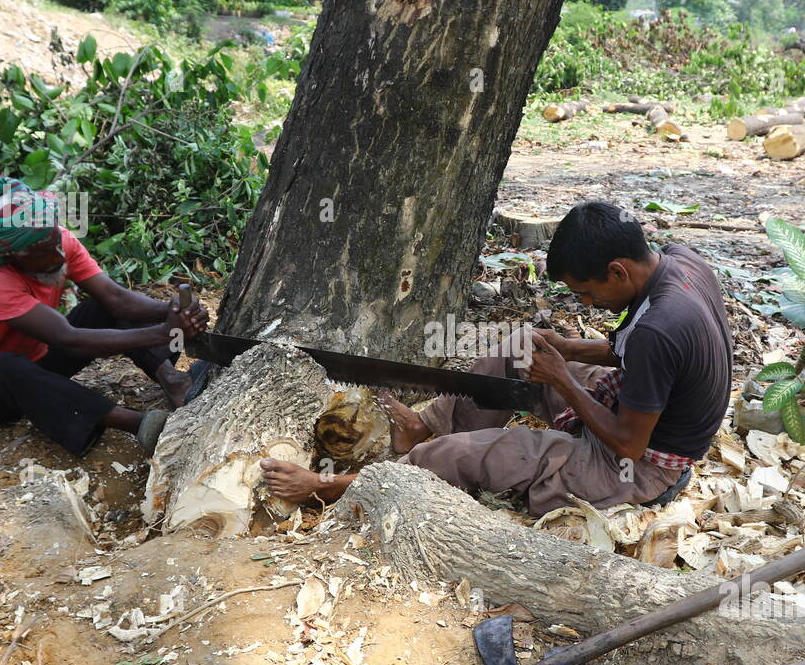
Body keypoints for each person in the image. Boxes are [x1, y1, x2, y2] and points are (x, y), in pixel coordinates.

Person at [261, 200, 733, 515]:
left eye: (587, 293)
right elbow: (636, 353)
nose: (587, 304)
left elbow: (629, 445)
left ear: (618, 269)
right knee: (520, 347)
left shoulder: (659, 329)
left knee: (482, 452)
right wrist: (565, 350)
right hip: (631, 415)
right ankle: (425, 426)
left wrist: (564, 381)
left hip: (639, 469)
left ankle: (329, 487)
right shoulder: (679, 261)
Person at [0, 177, 209, 457]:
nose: (59, 253)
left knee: (100, 307)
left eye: (55, 240)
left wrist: (172, 310)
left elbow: (117, 300)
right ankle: (139, 425)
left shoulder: (53, 240)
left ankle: (173, 381)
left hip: (33, 361)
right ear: (15, 256)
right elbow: (67, 338)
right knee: (4, 366)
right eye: (45, 252)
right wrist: (165, 331)